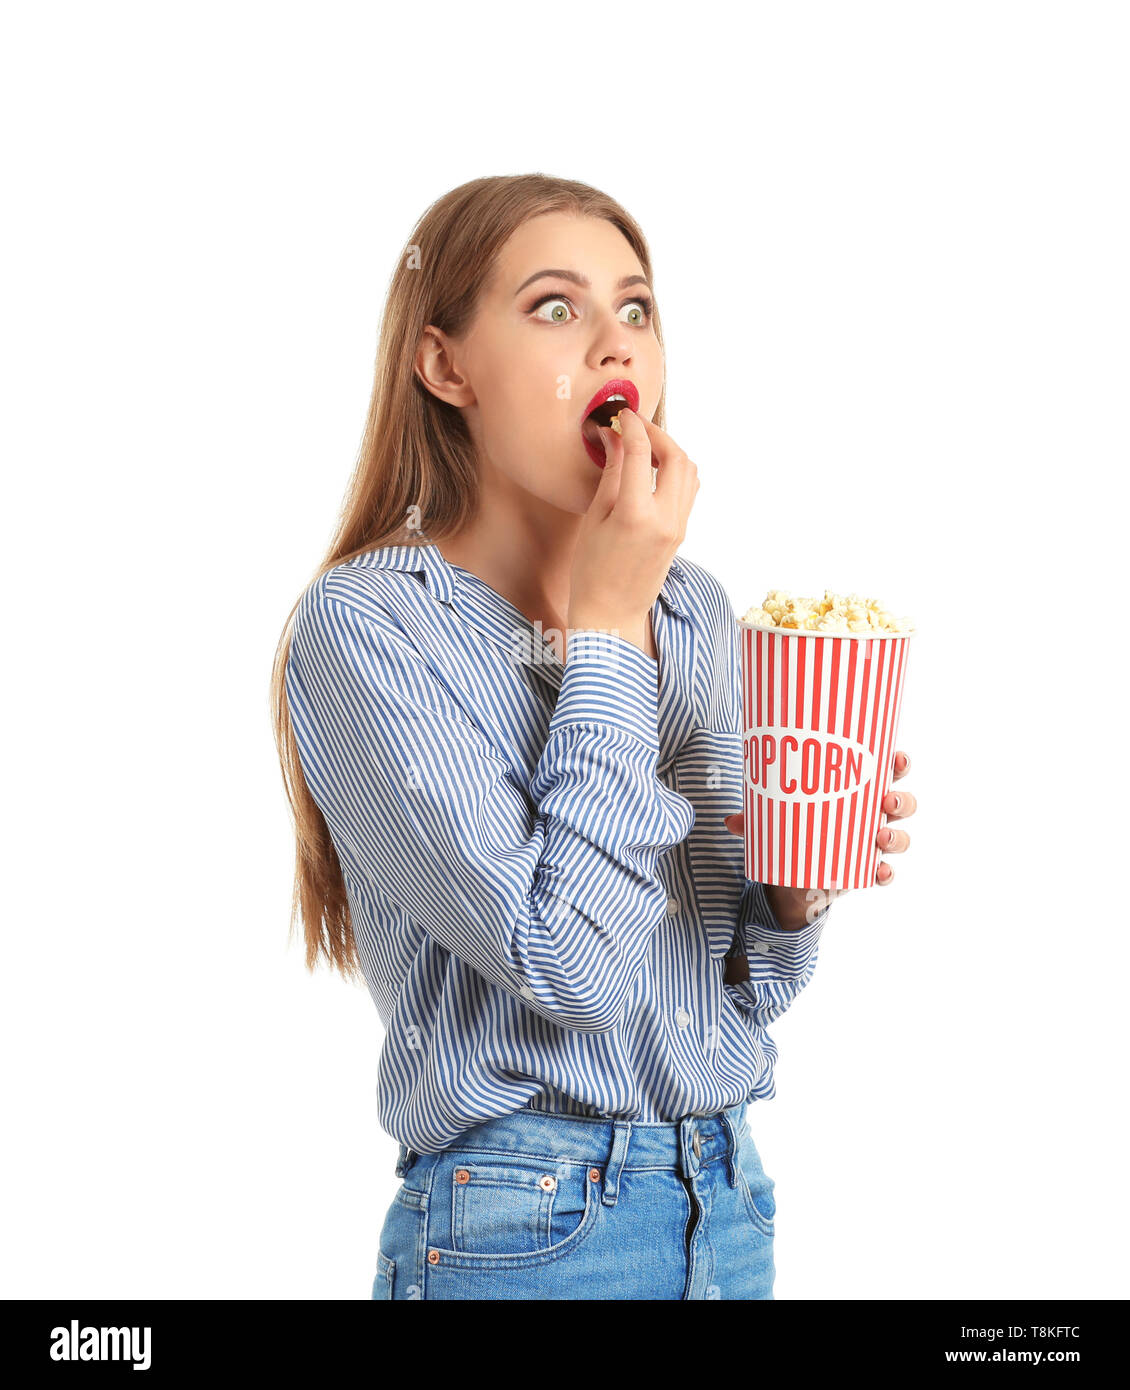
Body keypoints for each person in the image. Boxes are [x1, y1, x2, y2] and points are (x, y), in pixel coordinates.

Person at [270, 174, 916, 1300]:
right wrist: (606, 628)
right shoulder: (369, 625)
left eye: (636, 308)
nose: (612, 343)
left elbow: (733, 996)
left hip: (727, 1202)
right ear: (445, 366)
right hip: (522, 1225)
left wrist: (795, 881)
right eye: (555, 308)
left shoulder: (692, 610)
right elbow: (561, 964)